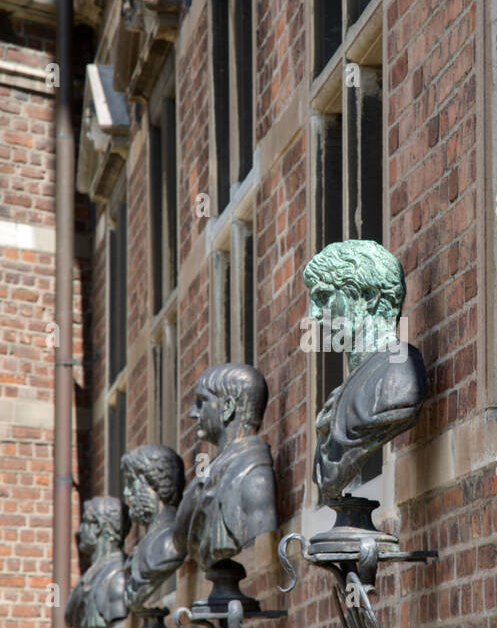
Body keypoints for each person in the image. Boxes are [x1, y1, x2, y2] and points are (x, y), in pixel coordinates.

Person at [303, 240, 426, 504]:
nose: (313, 315)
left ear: (369, 297)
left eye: (324, 297)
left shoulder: (398, 375)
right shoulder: (352, 387)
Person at [174, 363, 278, 570]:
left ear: (228, 407)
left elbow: (261, 541)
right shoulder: (213, 473)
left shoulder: (255, 478)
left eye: (202, 402)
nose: (193, 413)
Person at [120, 444, 186, 609]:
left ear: (154, 485)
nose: (127, 493)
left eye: (131, 483)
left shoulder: (169, 544)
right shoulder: (146, 545)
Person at [65, 496, 128, 628]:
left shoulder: (118, 576)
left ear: (98, 527)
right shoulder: (90, 576)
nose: (79, 530)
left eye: (85, 522)